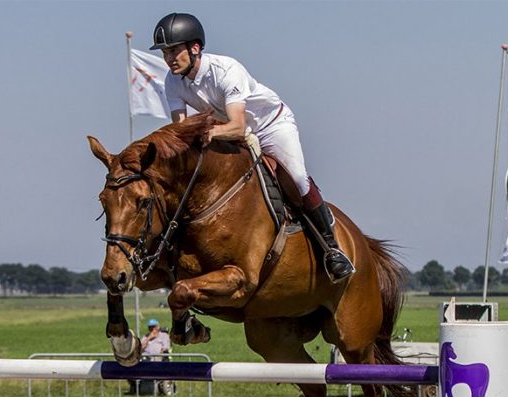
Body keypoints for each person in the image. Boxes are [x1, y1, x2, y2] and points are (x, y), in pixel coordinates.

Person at [150, 12, 355, 283]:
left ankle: (332, 249)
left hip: (271, 125)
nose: (169, 58)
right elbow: (181, 130)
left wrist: (204, 133)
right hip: (228, 132)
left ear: (195, 48)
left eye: (174, 50)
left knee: (296, 177)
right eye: (165, 52)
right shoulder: (172, 81)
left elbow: (237, 125)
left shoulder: (226, 70)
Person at [127, 319, 175, 395]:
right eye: (150, 328)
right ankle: (134, 383)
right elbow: (140, 348)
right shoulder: (146, 337)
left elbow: (166, 348)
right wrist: (149, 338)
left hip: (158, 358)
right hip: (144, 358)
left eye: (154, 327)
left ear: (158, 327)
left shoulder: (164, 336)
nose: (152, 330)